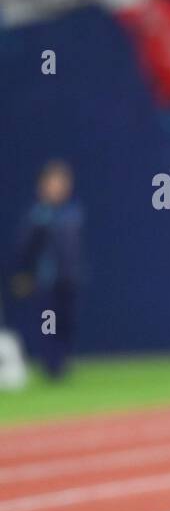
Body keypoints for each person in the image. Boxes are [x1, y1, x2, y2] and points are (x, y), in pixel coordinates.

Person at [10, 161, 85, 380]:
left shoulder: (73, 213)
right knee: (48, 323)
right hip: (47, 281)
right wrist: (25, 274)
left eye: (62, 182)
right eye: (53, 182)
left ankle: (63, 361)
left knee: (66, 322)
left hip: (69, 279)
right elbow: (26, 250)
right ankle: (51, 365)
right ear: (42, 186)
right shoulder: (38, 216)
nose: (57, 187)